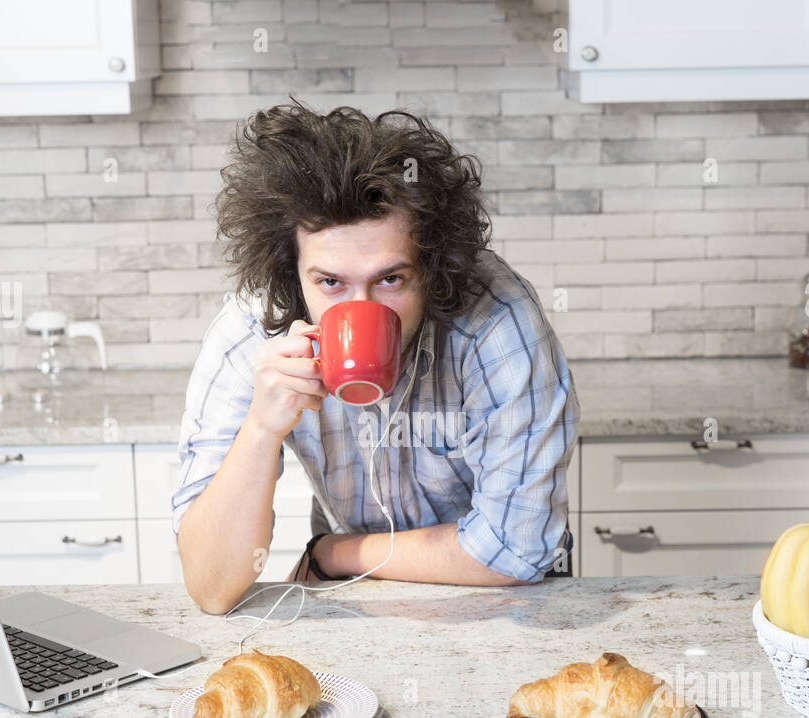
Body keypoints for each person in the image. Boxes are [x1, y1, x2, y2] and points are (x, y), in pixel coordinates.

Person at [173, 98, 579, 614]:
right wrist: (260, 429)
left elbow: (515, 551)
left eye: (391, 279)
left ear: (433, 267)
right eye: (330, 282)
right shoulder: (251, 332)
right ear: (290, 274)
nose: (360, 308)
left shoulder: (495, 322)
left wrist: (335, 554)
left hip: (504, 600)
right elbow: (211, 587)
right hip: (356, 596)